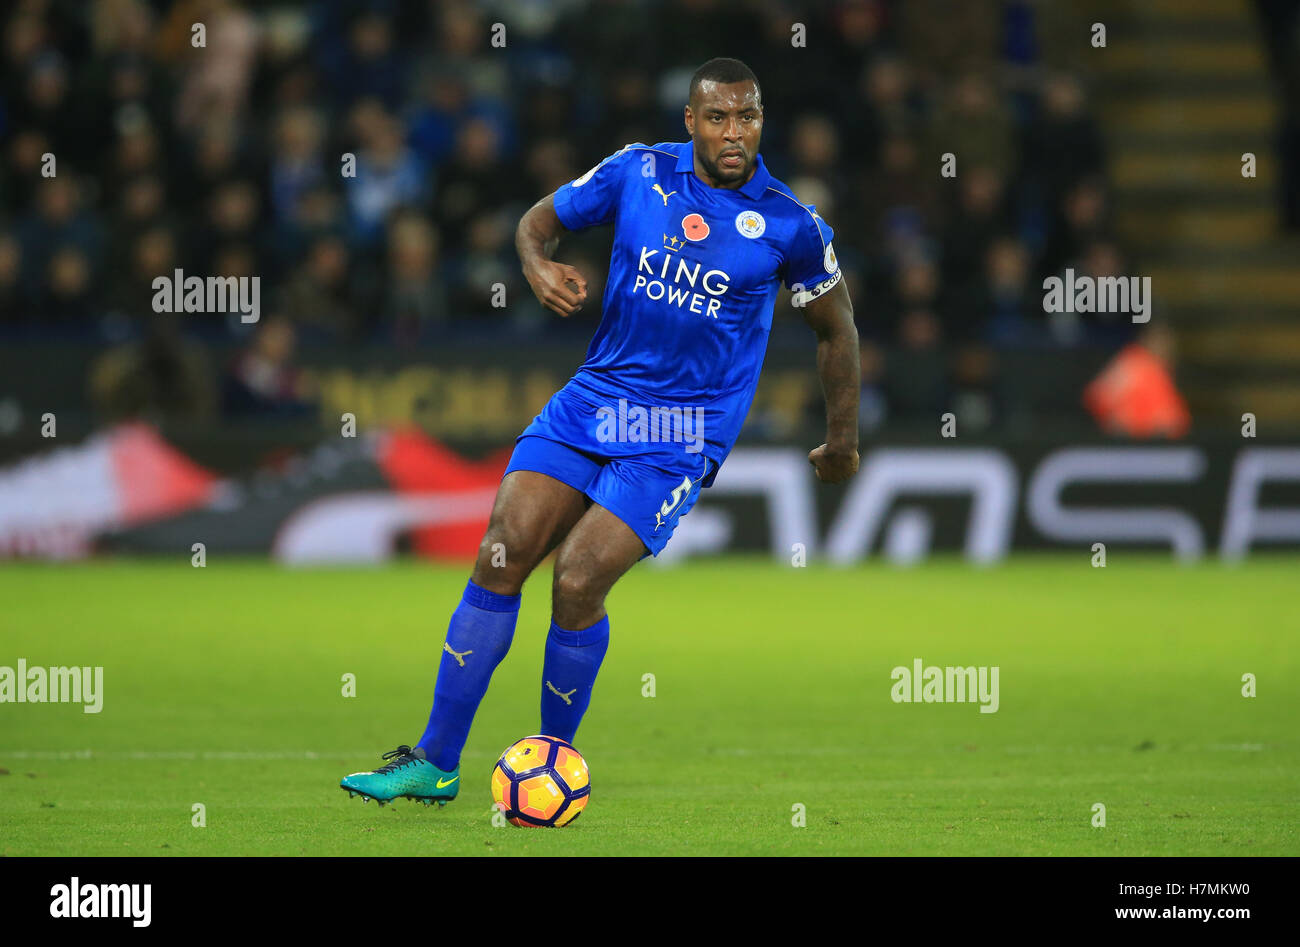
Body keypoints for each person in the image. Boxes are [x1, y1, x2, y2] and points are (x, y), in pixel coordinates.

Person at [340, 58, 860, 807]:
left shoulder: (789, 223)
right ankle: (434, 762)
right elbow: (537, 223)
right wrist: (535, 265)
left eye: (747, 117)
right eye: (718, 118)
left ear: (761, 121)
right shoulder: (636, 172)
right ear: (691, 121)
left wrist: (840, 438)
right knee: (502, 550)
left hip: (679, 432)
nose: (734, 132)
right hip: (592, 401)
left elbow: (836, 330)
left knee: (577, 579)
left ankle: (555, 762)